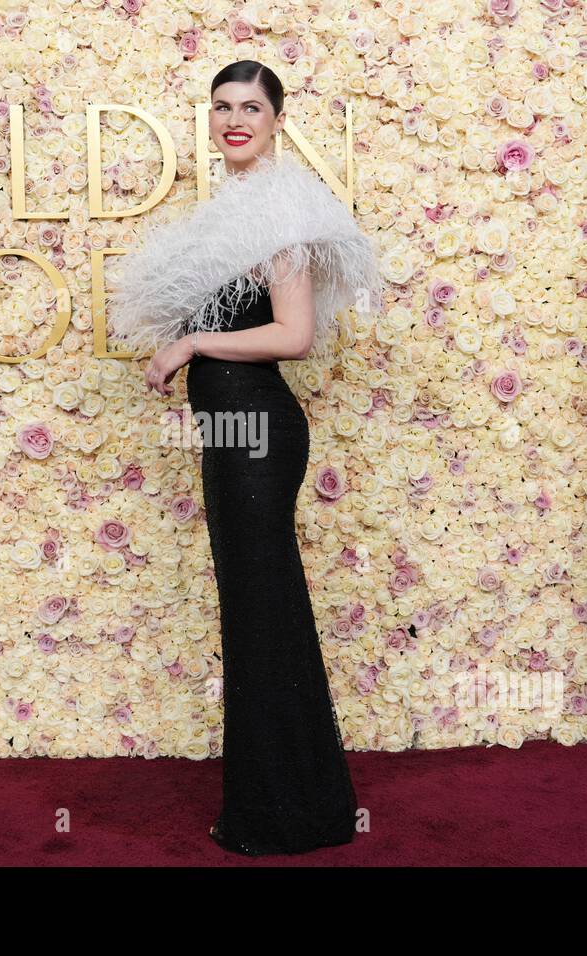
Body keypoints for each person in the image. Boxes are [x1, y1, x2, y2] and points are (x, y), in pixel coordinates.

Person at [108, 60, 383, 855]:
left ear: (276, 119)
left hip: (259, 429)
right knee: (256, 605)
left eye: (252, 107)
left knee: (263, 604)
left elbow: (294, 335)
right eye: (223, 106)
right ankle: (287, 800)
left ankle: (289, 812)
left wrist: (191, 340)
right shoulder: (227, 214)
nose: (236, 119)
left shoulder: (282, 211)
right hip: (232, 426)